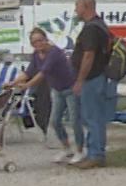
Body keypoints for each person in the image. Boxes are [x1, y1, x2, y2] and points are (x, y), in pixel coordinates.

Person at [10, 27, 77, 163]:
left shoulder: (54, 52)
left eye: (40, 40)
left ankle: (81, 150)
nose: (38, 44)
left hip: (71, 88)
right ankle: (66, 149)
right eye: (35, 42)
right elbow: (29, 72)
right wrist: (13, 82)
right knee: (55, 121)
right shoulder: (36, 55)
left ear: (46, 39)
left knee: (75, 121)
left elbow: (43, 73)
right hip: (57, 89)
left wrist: (28, 85)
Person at [68, 0, 118, 169]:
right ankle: (93, 153)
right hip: (98, 77)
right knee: (92, 116)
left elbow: (89, 55)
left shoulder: (91, 29)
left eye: (77, 6)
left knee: (92, 117)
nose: (76, 10)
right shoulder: (101, 26)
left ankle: (96, 154)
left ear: (86, 7)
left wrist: (80, 80)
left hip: (92, 78)